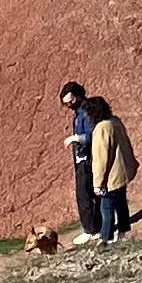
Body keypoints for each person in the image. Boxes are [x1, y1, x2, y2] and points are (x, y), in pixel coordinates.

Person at [84, 95, 138, 243]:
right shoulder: (115, 121)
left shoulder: (101, 128)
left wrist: (97, 183)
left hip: (110, 177)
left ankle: (105, 239)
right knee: (121, 204)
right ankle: (123, 232)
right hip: (122, 173)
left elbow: (101, 159)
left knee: (106, 209)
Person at [60, 81, 99, 240]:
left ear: (79, 96)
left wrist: (75, 138)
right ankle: (96, 227)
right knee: (89, 193)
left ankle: (91, 230)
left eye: (71, 102)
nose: (69, 105)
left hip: (87, 158)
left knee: (84, 194)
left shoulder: (87, 112)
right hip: (82, 158)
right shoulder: (79, 113)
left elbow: (92, 135)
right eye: (66, 104)